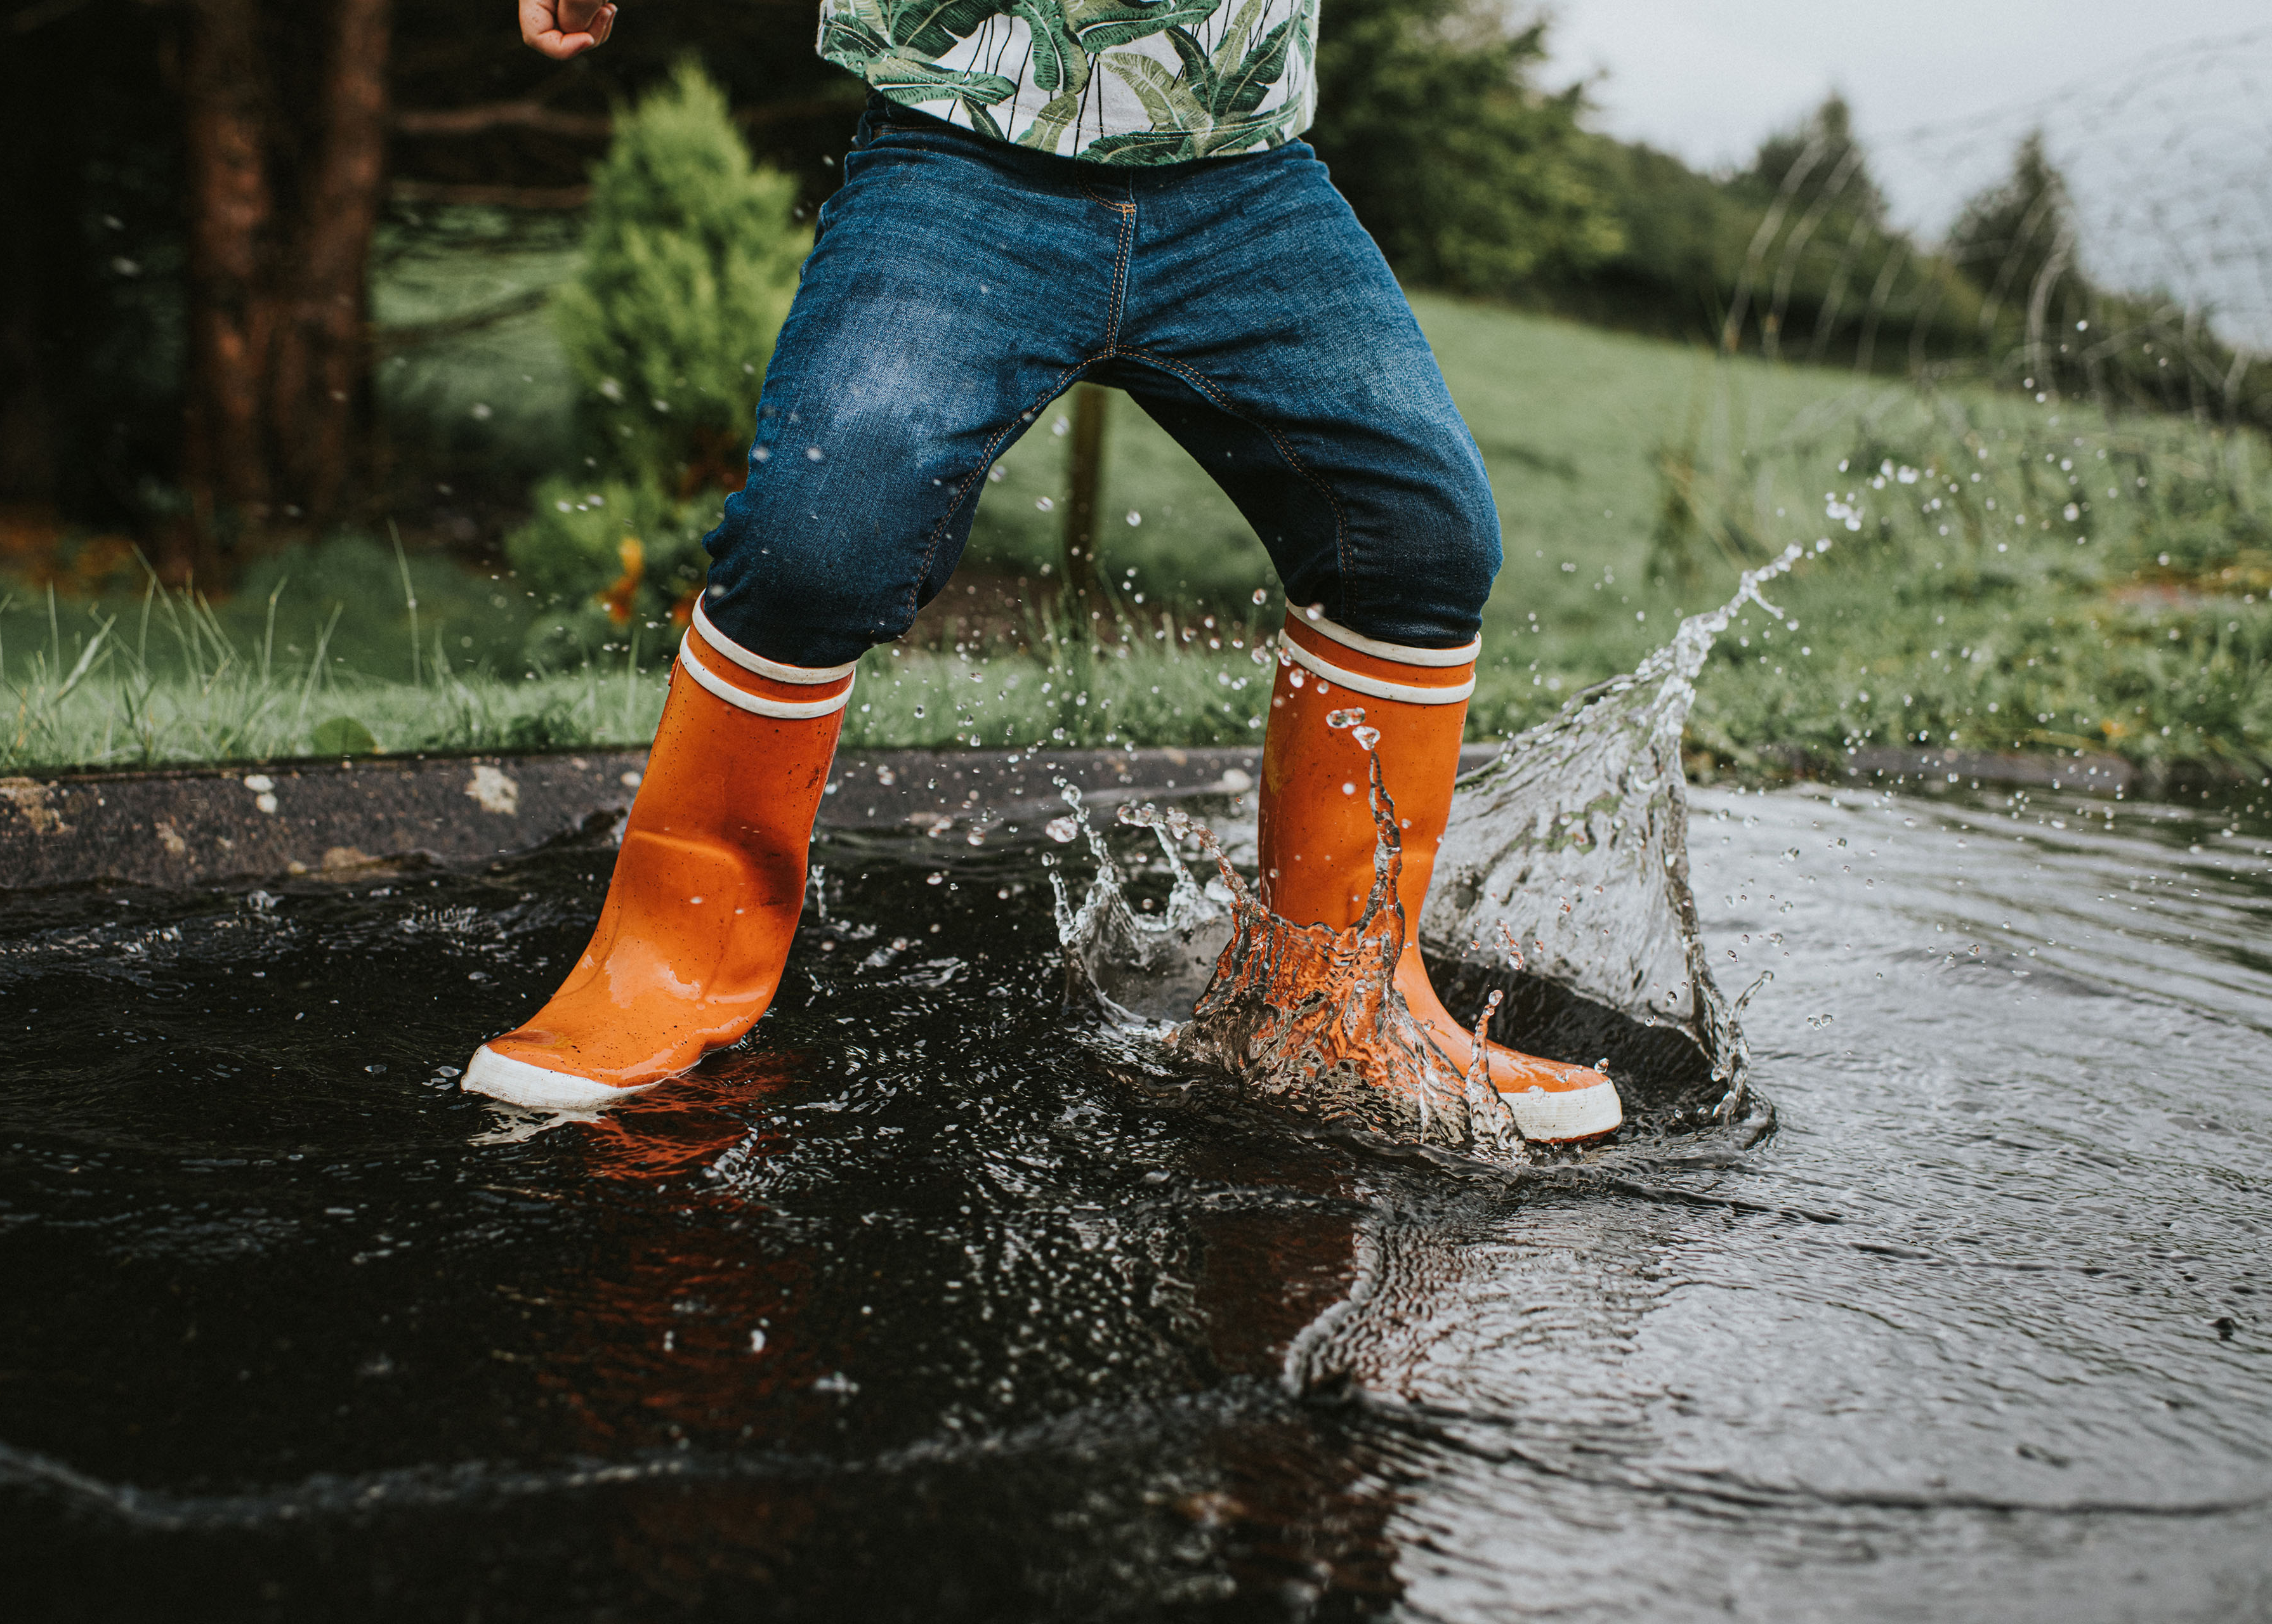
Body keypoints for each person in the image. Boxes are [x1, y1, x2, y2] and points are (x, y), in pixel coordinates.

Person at [466, 0, 1622, 1143]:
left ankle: (1336, 1005)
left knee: (1419, 535)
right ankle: (669, 964)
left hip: (1245, 176)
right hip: (961, 143)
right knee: (819, 539)